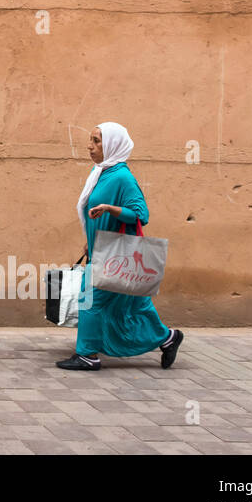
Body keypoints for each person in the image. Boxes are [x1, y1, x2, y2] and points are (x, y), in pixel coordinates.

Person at [56, 122, 183, 371]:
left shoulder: (123, 177)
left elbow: (140, 214)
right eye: (91, 140)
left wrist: (109, 209)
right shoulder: (103, 172)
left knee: (89, 299)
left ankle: (87, 355)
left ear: (113, 144)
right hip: (101, 249)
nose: (90, 146)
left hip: (113, 254)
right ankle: (168, 338)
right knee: (134, 303)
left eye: (96, 141)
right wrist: (89, 242)